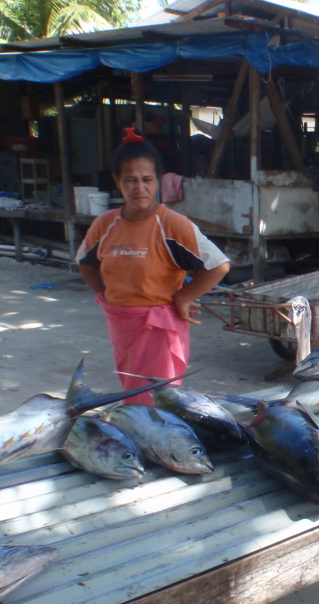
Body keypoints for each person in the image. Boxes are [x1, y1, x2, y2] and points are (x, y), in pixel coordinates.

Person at [76, 132, 230, 405]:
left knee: (158, 401)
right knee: (132, 394)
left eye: (147, 180)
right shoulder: (105, 223)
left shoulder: (172, 224)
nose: (139, 188)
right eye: (130, 180)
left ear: (158, 181)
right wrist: (104, 296)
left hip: (159, 329)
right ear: (117, 182)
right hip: (121, 325)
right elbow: (86, 263)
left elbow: (218, 266)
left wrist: (184, 296)